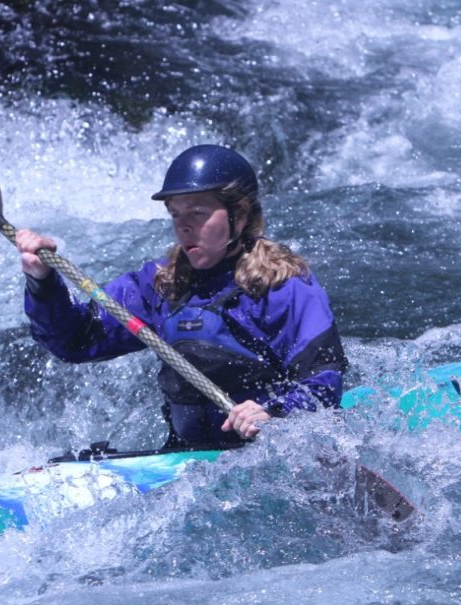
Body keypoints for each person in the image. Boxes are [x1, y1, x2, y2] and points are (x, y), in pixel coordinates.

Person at [18, 145, 348, 448]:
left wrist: (274, 413)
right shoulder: (160, 284)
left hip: (268, 453)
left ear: (241, 215)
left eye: (197, 213)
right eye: (176, 214)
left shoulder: (285, 287)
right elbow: (75, 342)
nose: (184, 226)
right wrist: (42, 281)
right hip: (186, 461)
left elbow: (322, 381)